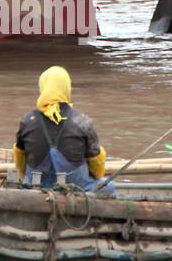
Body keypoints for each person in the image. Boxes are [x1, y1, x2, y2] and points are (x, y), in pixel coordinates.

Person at [13, 65, 114, 195]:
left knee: (25, 180)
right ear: (67, 88)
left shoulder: (27, 121)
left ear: (42, 87)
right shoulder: (83, 122)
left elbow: (20, 163)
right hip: (76, 188)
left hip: (35, 187)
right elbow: (98, 169)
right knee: (109, 186)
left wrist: (25, 177)